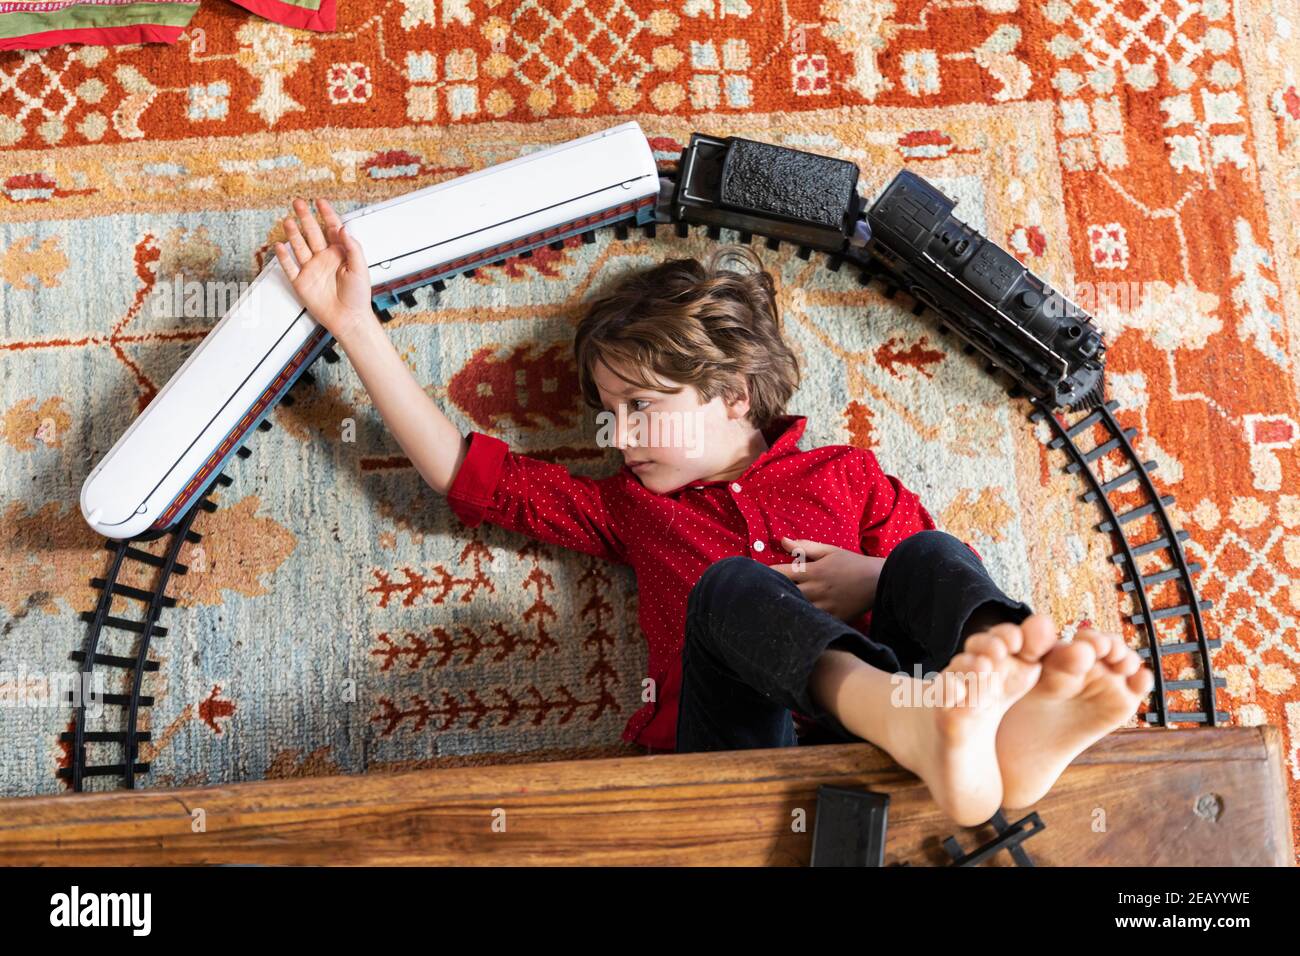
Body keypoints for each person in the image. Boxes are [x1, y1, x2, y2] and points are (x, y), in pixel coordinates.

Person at [272, 197, 1155, 827]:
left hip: (914, 739)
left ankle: (1012, 732)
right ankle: (952, 731)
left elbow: (931, 587)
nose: (618, 436)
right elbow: (467, 472)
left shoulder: (847, 474)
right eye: (607, 413)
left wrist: (874, 576)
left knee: (929, 560)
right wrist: (355, 326)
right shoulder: (630, 509)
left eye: (641, 407)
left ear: (734, 395)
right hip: (737, 756)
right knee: (729, 589)